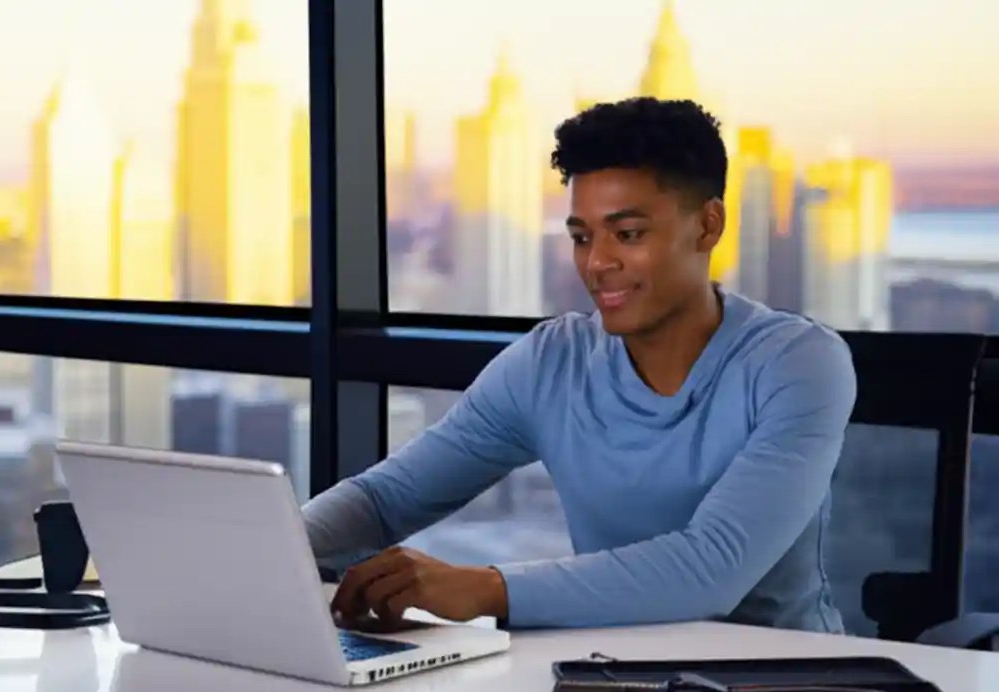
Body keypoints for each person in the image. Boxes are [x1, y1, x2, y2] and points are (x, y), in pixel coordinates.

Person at [302, 97, 856, 635]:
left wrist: (486, 588)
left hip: (787, 682)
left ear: (708, 227)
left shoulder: (798, 363)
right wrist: (265, 547)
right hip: (616, 680)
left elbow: (712, 568)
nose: (597, 262)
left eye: (629, 234)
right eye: (581, 237)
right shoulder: (549, 363)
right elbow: (384, 499)